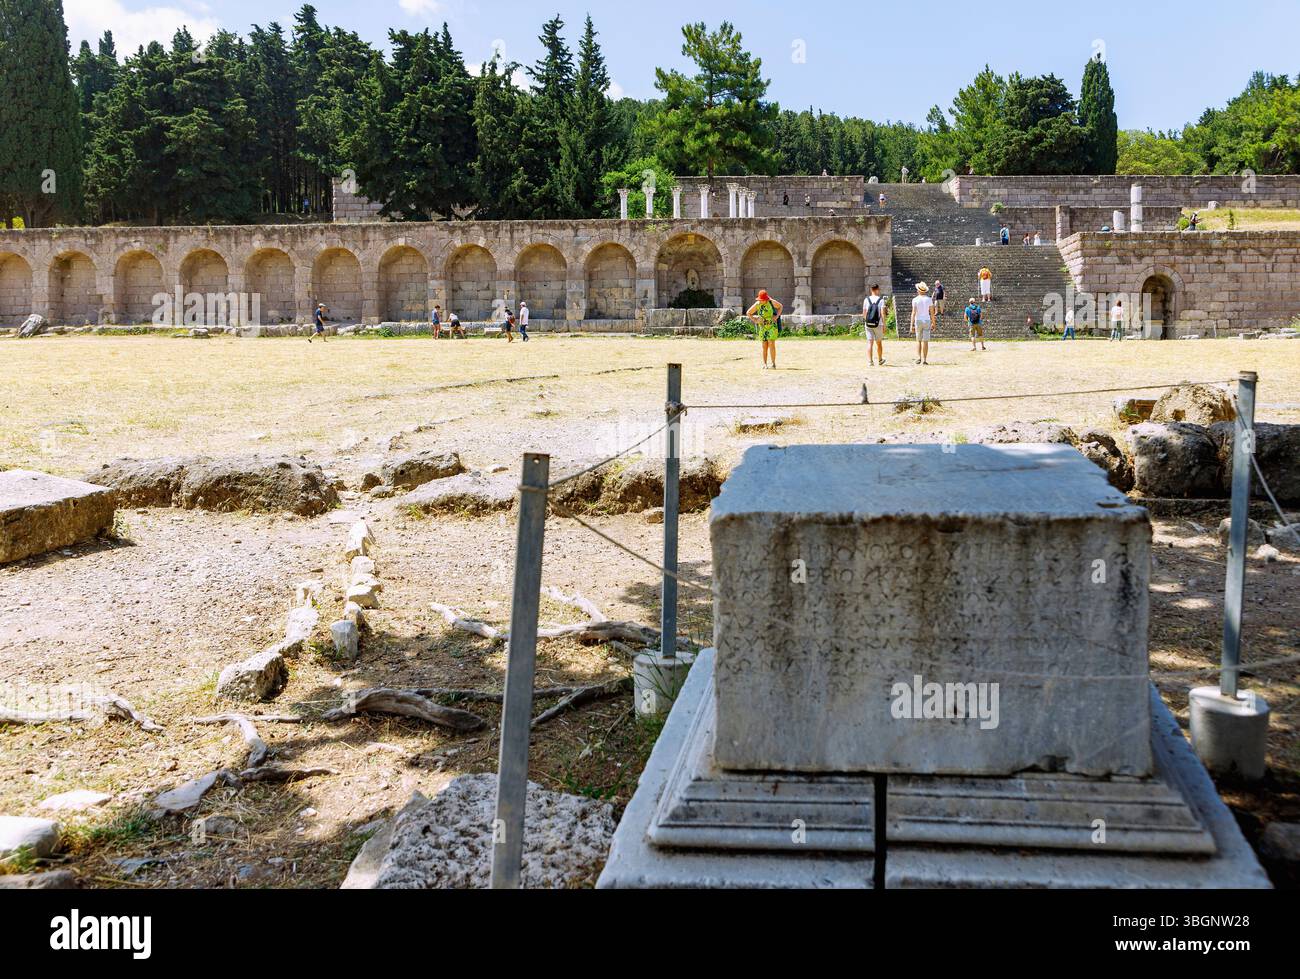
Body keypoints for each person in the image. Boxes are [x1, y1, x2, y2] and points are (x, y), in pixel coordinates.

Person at [747, 288, 783, 369]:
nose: (761, 301)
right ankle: (764, 364)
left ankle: (773, 363)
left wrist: (776, 316)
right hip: (762, 326)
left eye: (763, 300)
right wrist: (755, 320)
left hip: (771, 326)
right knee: (764, 345)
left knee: (771, 344)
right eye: (760, 299)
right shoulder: (757, 304)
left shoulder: (771, 302)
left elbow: (780, 306)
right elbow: (748, 313)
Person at [863, 284, 887, 367]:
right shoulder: (881, 300)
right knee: (879, 343)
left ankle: (870, 361)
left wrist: (867, 321)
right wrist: (884, 325)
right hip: (878, 324)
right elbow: (883, 313)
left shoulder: (866, 299)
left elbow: (864, 313)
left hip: (868, 324)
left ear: (871, 290)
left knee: (870, 343)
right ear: (877, 290)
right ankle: (880, 360)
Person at [910, 281, 933, 365]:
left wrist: (911, 325)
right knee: (925, 341)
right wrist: (934, 323)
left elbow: (913, 313)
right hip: (927, 320)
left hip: (918, 320)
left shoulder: (915, 300)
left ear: (918, 290)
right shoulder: (929, 299)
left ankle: (919, 357)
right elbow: (932, 312)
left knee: (918, 340)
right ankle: (925, 359)